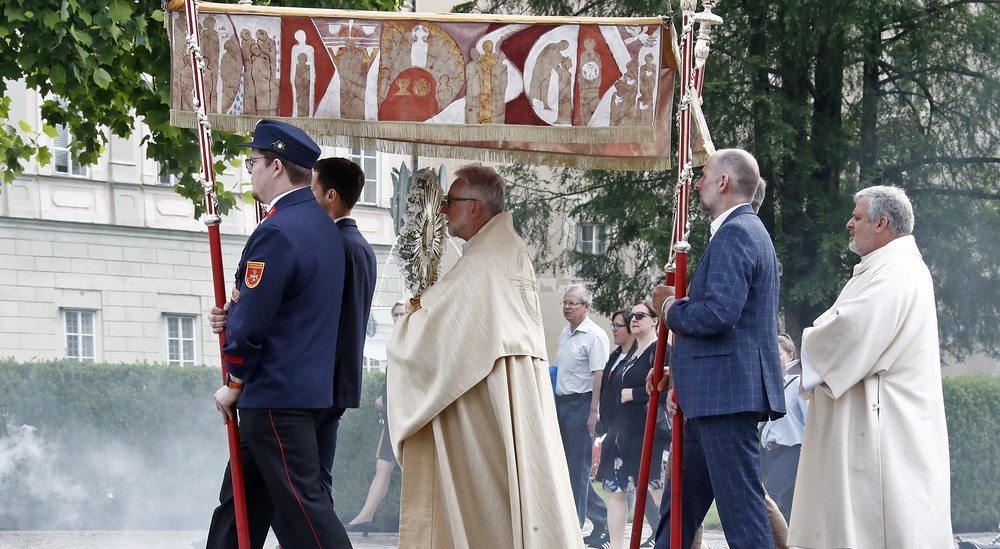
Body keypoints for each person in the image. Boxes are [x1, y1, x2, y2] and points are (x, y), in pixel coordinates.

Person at [386, 165, 582, 548]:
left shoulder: (484, 260)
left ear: (475, 208)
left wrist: (413, 308)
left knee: (492, 502)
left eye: (451, 202)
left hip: (488, 395)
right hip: (513, 390)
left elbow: (435, 322)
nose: (443, 211)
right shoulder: (505, 247)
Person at [204, 119, 353, 549]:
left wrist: (234, 382)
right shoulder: (322, 226)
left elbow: (253, 326)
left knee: (307, 512)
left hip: (274, 396)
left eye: (253, 162)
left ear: (276, 167)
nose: (248, 171)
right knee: (240, 507)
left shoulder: (278, 231)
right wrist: (236, 311)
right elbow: (286, 306)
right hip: (296, 391)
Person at [787, 185, 953, 549]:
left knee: (878, 526)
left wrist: (811, 339)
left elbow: (851, 329)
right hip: (872, 413)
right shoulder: (882, 269)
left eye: (857, 217)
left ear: (881, 223)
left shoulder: (896, 272)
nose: (849, 223)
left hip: (882, 420)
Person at [650, 148, 785, 549]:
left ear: (724, 182)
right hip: (711, 399)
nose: (698, 182)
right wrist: (683, 384)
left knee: (742, 517)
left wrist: (669, 307)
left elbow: (717, 314)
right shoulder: (741, 232)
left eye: (704, 175)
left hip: (724, 400)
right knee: (678, 511)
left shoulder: (737, 232)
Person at [595, 302, 665, 549]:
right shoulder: (629, 354)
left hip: (648, 433)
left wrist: (635, 394)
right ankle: (616, 546)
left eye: (640, 316)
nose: (634, 319)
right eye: (632, 316)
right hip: (621, 433)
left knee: (659, 494)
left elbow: (667, 388)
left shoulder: (660, 350)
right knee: (615, 492)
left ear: (655, 320)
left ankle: (691, 543)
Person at [554, 284, 611, 548]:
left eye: (572, 303)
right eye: (565, 302)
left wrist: (594, 412)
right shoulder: (565, 334)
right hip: (563, 405)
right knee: (566, 468)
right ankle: (604, 518)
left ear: (586, 306)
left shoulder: (595, 336)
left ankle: (573, 528)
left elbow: (599, 375)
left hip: (583, 405)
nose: (567, 307)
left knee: (578, 469)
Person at [344, 301, 406, 533]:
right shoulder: (398, 342)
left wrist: (386, 399)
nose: (399, 317)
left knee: (412, 468)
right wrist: (384, 398)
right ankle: (365, 517)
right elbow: (393, 380)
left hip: (411, 417)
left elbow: (412, 382)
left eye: (403, 313)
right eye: (396, 314)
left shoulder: (415, 340)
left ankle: (368, 517)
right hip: (396, 418)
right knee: (383, 466)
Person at [758, 333, 808, 522]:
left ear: (790, 356)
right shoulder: (770, 385)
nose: (773, 356)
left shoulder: (799, 385)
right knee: (791, 504)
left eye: (778, 353)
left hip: (792, 451)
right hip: (770, 452)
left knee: (768, 498)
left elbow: (810, 420)